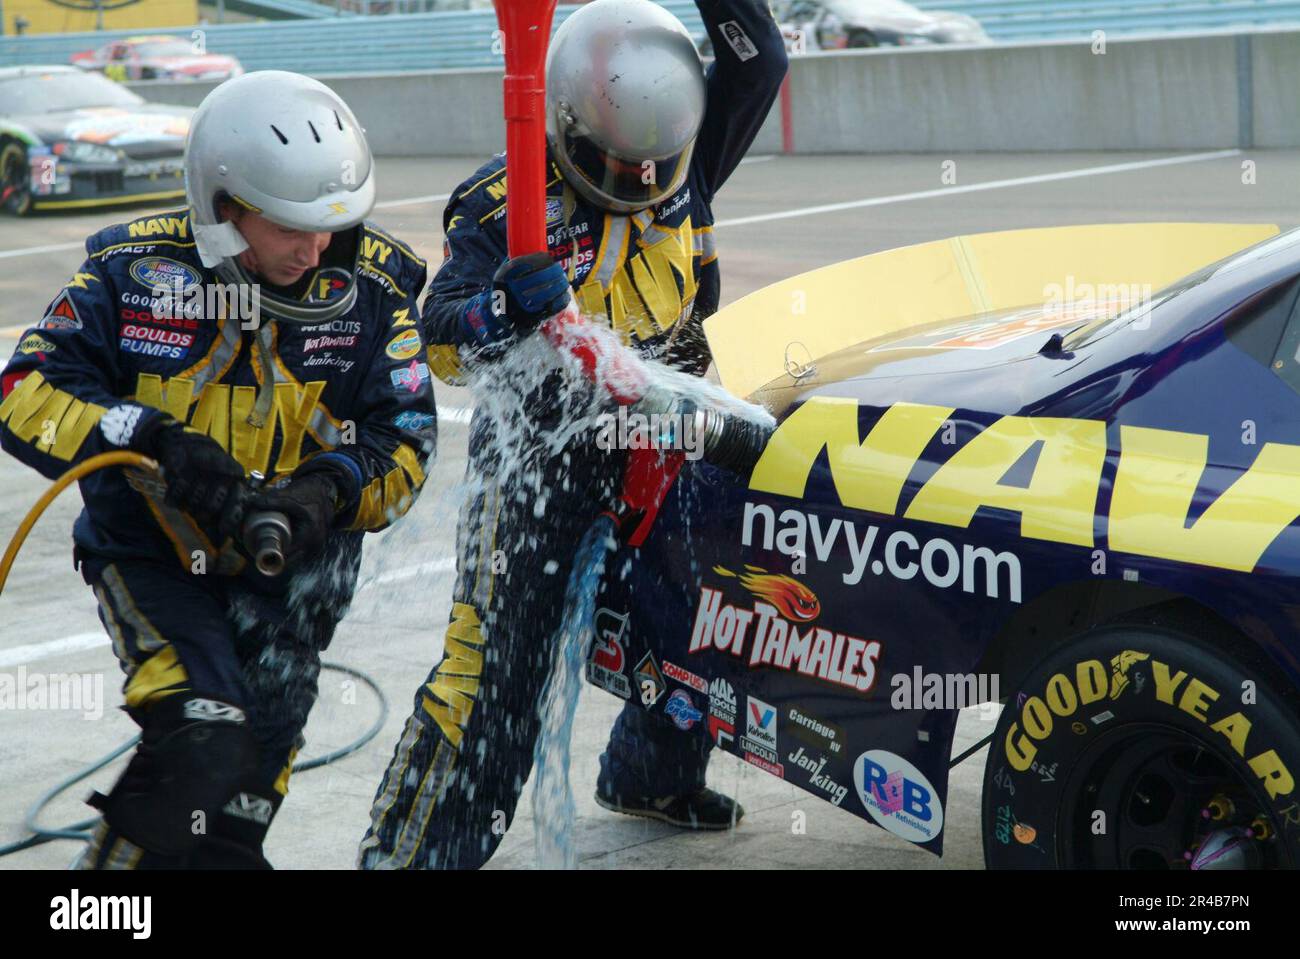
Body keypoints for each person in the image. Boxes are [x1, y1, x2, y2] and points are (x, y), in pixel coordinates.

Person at [360, 0, 787, 869]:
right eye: (612, 162)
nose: (636, 181)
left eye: (652, 167)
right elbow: (439, 340)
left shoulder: (691, 153)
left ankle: (649, 774)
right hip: (538, 461)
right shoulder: (498, 200)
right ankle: (416, 855)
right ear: (560, 123)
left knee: (700, 620)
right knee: (491, 678)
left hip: (665, 442)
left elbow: (760, 61)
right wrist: (505, 303)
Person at [0, 70, 436, 869]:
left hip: (294, 587)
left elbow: (407, 441)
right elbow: (20, 387)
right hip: (156, 557)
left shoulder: (376, 288)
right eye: (290, 228)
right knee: (201, 739)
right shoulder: (132, 274)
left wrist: (330, 488)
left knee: (228, 829)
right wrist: (151, 436)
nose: (316, 249)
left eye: (334, 225)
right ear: (223, 210)